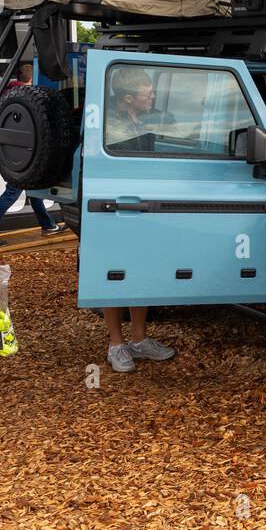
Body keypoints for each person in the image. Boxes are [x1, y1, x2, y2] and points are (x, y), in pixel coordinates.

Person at [99, 64, 175, 373]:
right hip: (114, 205)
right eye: (147, 93)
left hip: (142, 205)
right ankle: (116, 344)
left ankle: (140, 339)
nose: (153, 96)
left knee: (141, 271)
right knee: (113, 274)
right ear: (128, 99)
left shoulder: (143, 118)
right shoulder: (109, 123)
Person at [0, 61, 67, 247]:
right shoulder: (27, 97)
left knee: (32, 186)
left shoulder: (5, 95)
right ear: (31, 79)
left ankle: (47, 225)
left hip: (9, 153)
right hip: (24, 155)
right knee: (13, 191)